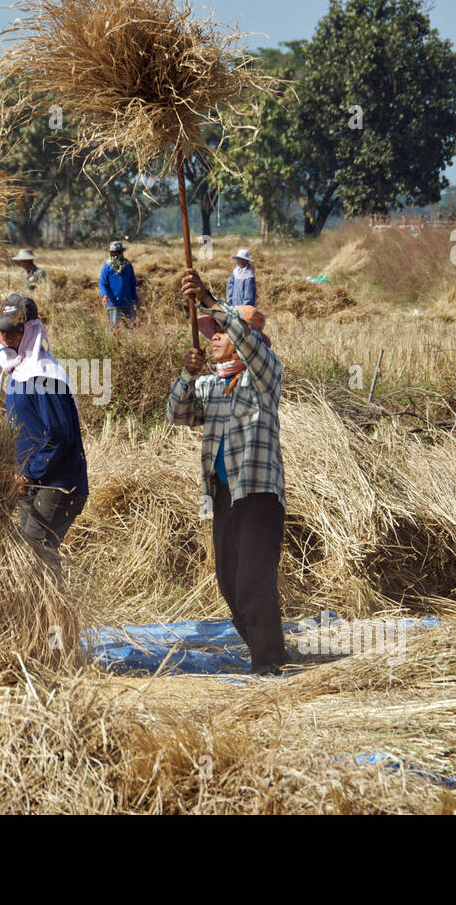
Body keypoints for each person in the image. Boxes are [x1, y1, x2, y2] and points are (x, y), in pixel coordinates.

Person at [167, 267, 287, 674]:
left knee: (255, 583)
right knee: (230, 583)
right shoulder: (211, 386)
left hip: (256, 495)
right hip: (223, 496)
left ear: (239, 341)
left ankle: (269, 663)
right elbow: (178, 415)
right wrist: (188, 374)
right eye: (210, 331)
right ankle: (264, 651)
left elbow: (251, 344)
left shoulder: (265, 377)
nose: (212, 336)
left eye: (219, 331)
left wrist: (208, 299)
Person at [0, 293, 89, 564]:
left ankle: (59, 608)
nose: (6, 338)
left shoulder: (45, 375)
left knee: (34, 558)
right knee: (37, 560)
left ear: (31, 331)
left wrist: (27, 475)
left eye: (15, 331)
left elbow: (59, 437)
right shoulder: (19, 371)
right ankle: (46, 608)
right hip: (31, 483)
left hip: (57, 486)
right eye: (2, 331)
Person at [98, 240, 138, 326]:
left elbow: (133, 283)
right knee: (115, 328)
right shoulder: (107, 266)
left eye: (116, 253)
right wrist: (104, 295)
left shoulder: (128, 265)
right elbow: (102, 283)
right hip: (114, 303)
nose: (114, 255)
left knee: (131, 327)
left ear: (121, 252)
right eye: (113, 253)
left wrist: (135, 298)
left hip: (127, 303)